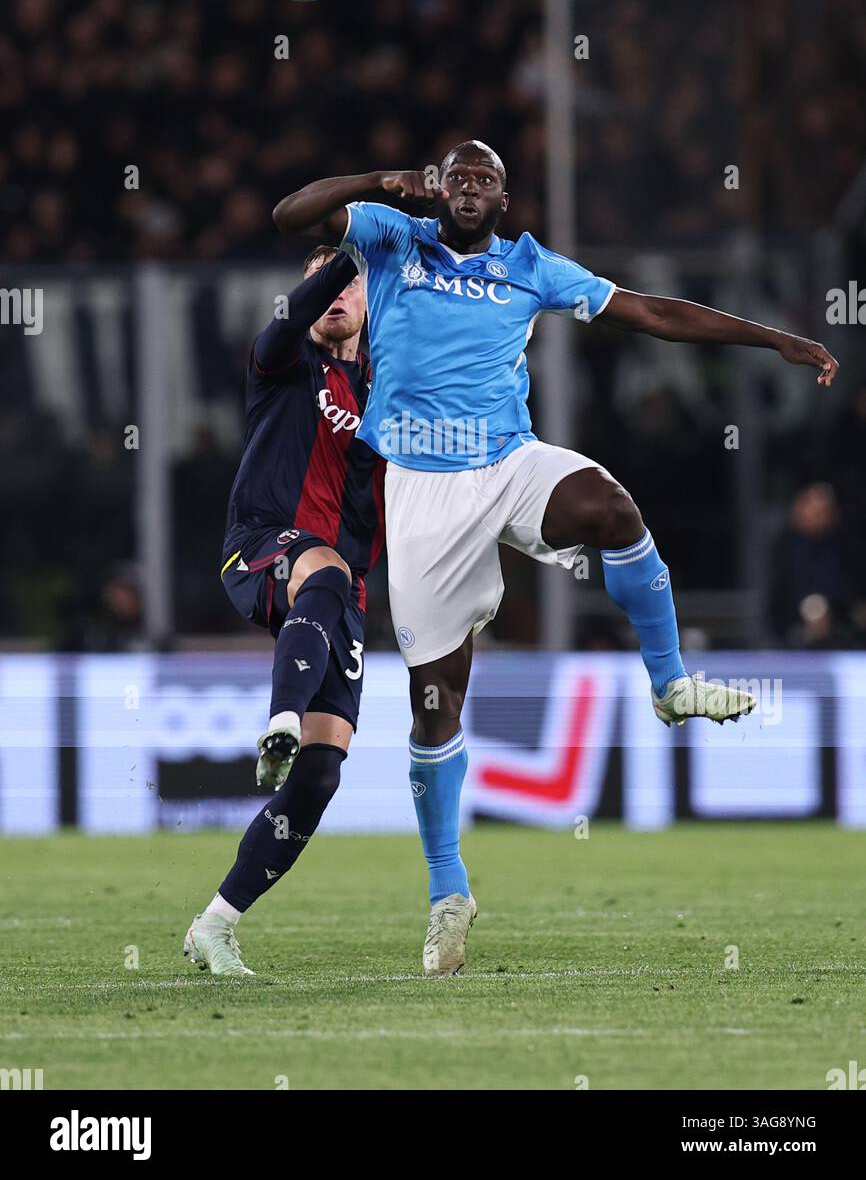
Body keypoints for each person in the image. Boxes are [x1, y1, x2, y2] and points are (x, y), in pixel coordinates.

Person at [273, 140, 839, 975]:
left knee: (611, 508)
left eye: (486, 179)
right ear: (438, 189)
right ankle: (448, 892)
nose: (469, 186)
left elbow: (655, 314)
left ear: (503, 202)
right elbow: (292, 215)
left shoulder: (531, 267)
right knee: (436, 708)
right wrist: (379, 179)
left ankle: (672, 681)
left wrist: (773, 339)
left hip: (507, 463)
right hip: (423, 492)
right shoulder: (392, 238)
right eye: (457, 174)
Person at [184, 247, 384, 975]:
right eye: (320, 279)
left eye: (351, 282)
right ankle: (280, 721)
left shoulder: (384, 390)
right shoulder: (280, 361)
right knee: (322, 569)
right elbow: (294, 316)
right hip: (263, 544)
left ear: (372, 303)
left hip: (343, 589)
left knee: (322, 775)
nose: (334, 293)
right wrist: (354, 249)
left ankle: (215, 924)